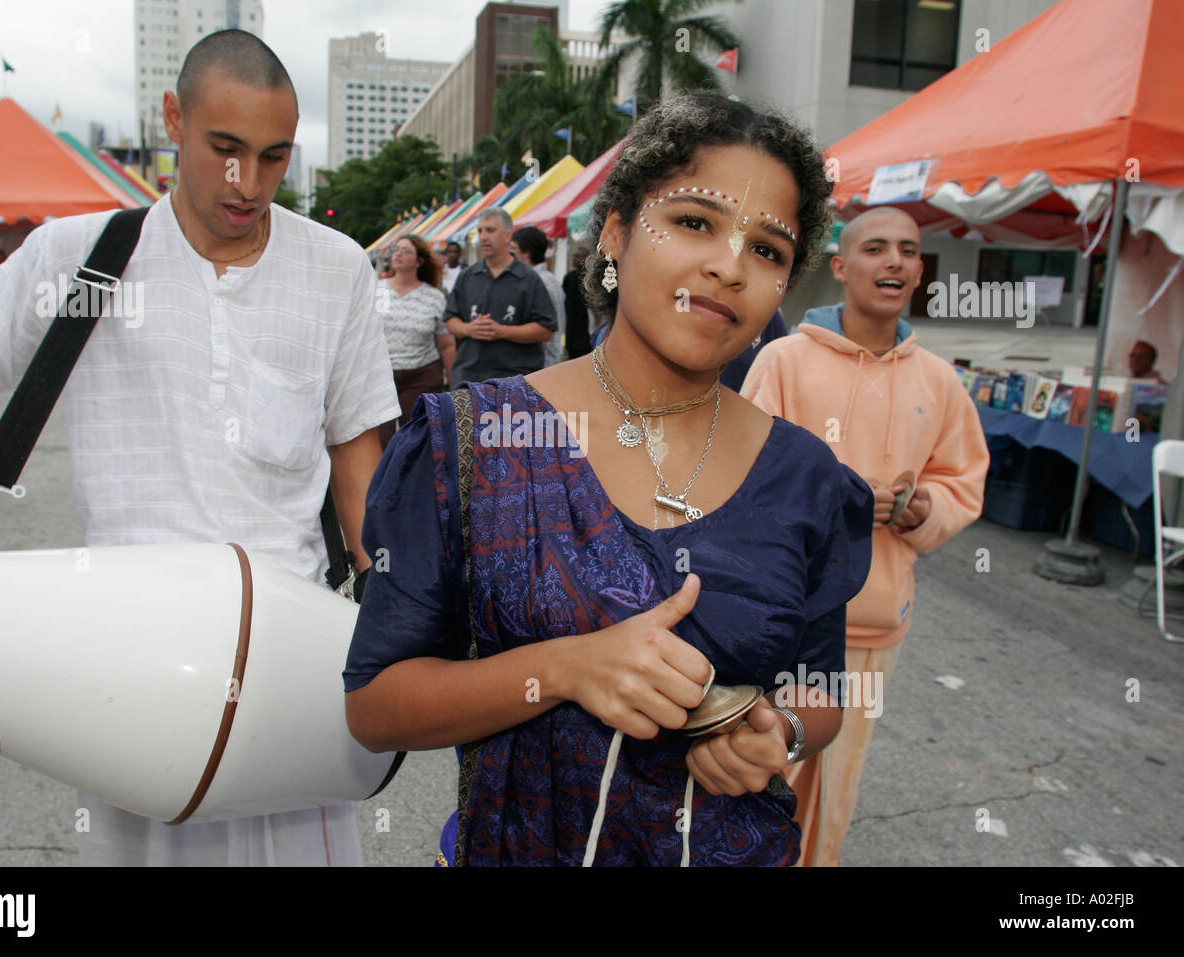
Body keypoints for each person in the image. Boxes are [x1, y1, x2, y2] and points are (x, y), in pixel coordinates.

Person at [0, 30, 400, 867]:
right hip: (127, 669)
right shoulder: (75, 256)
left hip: (290, 663)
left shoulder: (335, 268)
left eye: (273, 158)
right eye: (224, 148)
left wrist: (394, 604)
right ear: (173, 118)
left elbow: (355, 456)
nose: (249, 183)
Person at [344, 92, 874, 866]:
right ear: (617, 235)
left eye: (768, 249)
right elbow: (375, 705)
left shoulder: (806, 477)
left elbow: (819, 688)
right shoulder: (474, 441)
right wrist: (563, 668)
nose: (729, 265)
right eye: (696, 221)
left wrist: (779, 729)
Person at [740, 205, 988, 866]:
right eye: (877, 248)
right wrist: (837, 501)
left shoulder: (937, 379)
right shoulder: (785, 361)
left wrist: (922, 507)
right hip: (787, 616)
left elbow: (962, 478)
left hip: (876, 622)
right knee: (759, 773)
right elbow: (744, 471)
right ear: (843, 267)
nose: (897, 262)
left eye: (909, 250)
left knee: (835, 793)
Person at [443, 208, 556, 387]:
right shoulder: (468, 276)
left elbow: (545, 329)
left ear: (507, 235)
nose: (483, 236)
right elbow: (450, 319)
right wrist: (468, 329)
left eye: (490, 230)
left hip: (516, 380)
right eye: (480, 231)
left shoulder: (528, 278)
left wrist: (502, 331)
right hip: (470, 377)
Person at [375, 233, 454, 448]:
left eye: (406, 250)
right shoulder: (377, 291)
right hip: (380, 377)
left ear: (419, 261)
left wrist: (454, 384)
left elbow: (446, 344)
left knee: (418, 442)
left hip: (421, 376)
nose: (398, 254)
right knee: (381, 442)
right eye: (396, 250)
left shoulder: (433, 297)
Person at [510, 224, 567, 368]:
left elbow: (544, 332)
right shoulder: (548, 279)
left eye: (513, 249)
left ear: (526, 253)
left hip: (542, 364)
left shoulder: (539, 282)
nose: (510, 255)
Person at [562, 244, 594, 360]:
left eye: (577, 256)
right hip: (571, 326)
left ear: (585, 259)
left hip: (585, 327)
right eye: (574, 256)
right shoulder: (569, 277)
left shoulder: (590, 278)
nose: (574, 259)